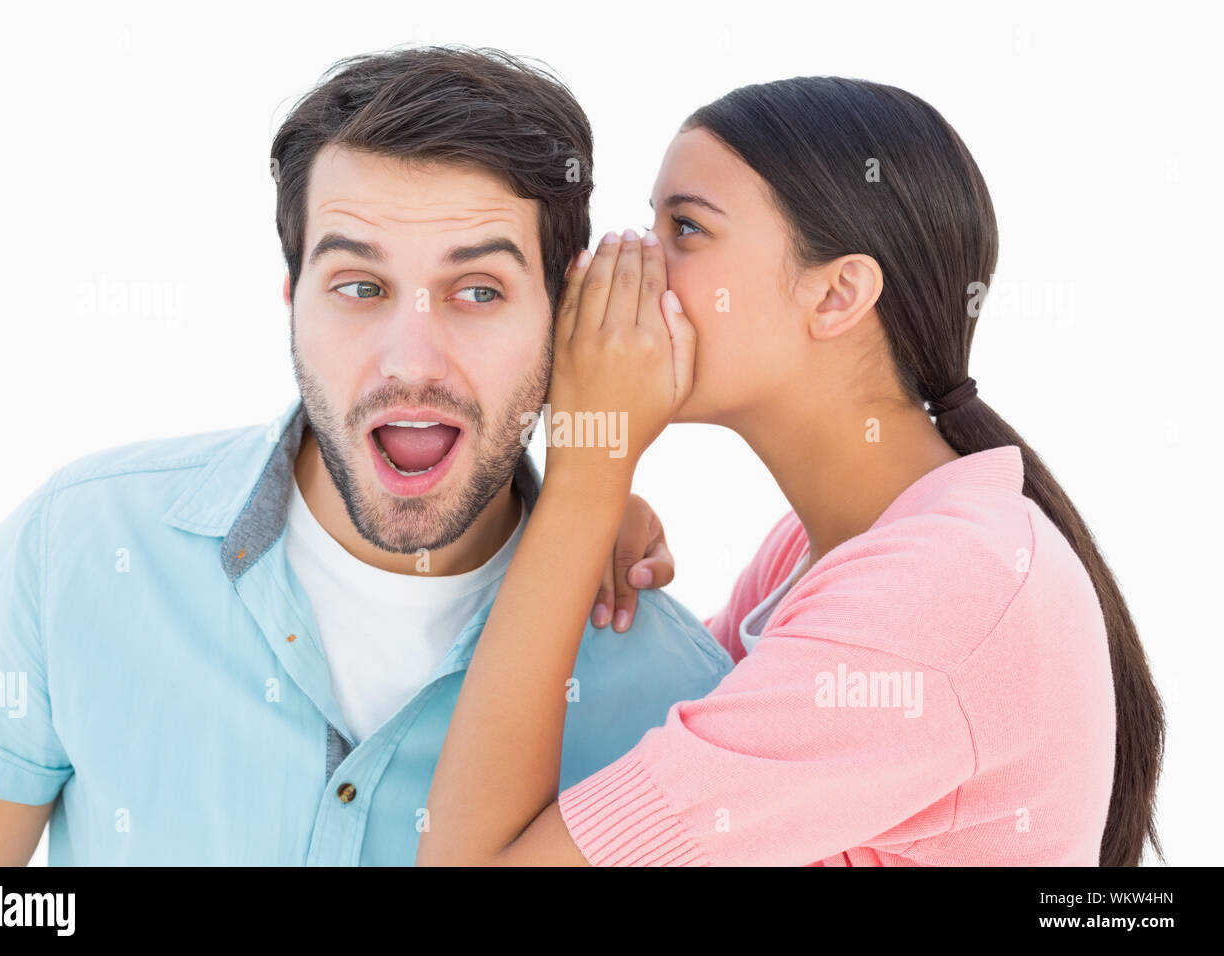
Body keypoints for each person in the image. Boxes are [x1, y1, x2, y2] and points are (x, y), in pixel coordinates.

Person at [0, 46, 733, 866]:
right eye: (360, 287)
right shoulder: (81, 551)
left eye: (479, 292)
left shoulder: (677, 704)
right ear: (292, 300)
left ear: (564, 317)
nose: (412, 361)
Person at [416, 76, 1165, 867]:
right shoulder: (825, 552)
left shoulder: (938, 592)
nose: (626, 265)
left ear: (838, 293)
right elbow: (623, 759)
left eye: (686, 229)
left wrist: (583, 487)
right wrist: (581, 525)